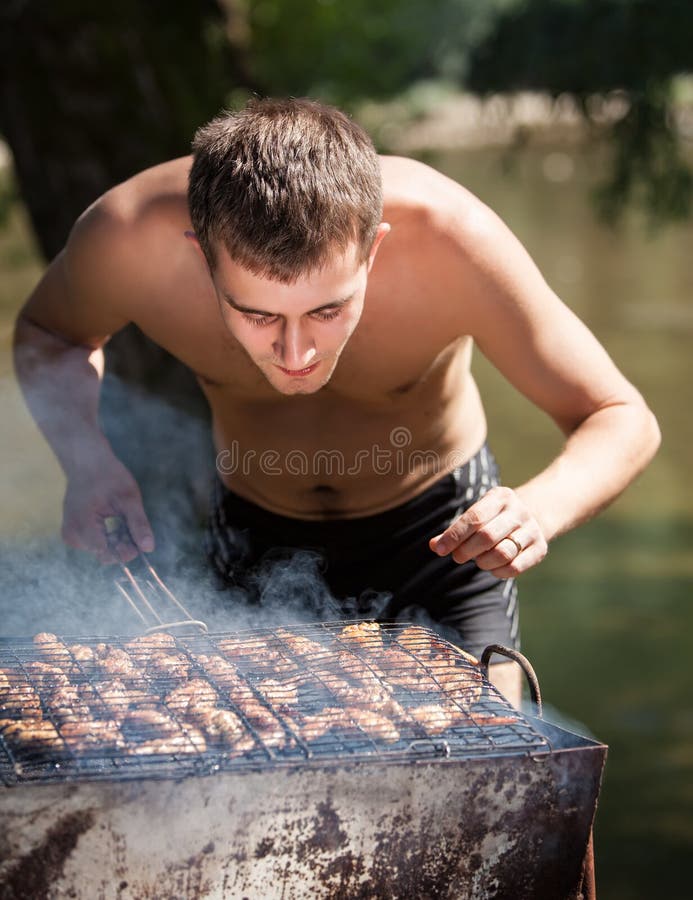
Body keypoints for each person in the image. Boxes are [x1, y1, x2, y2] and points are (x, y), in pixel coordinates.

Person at [13, 97, 660, 707]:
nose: (296, 354)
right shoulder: (127, 239)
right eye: (256, 314)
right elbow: (51, 334)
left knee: (495, 792)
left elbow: (617, 416)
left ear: (372, 248)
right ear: (201, 256)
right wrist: (85, 460)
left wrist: (535, 510)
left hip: (440, 544)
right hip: (253, 536)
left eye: (328, 308)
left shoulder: (451, 241)